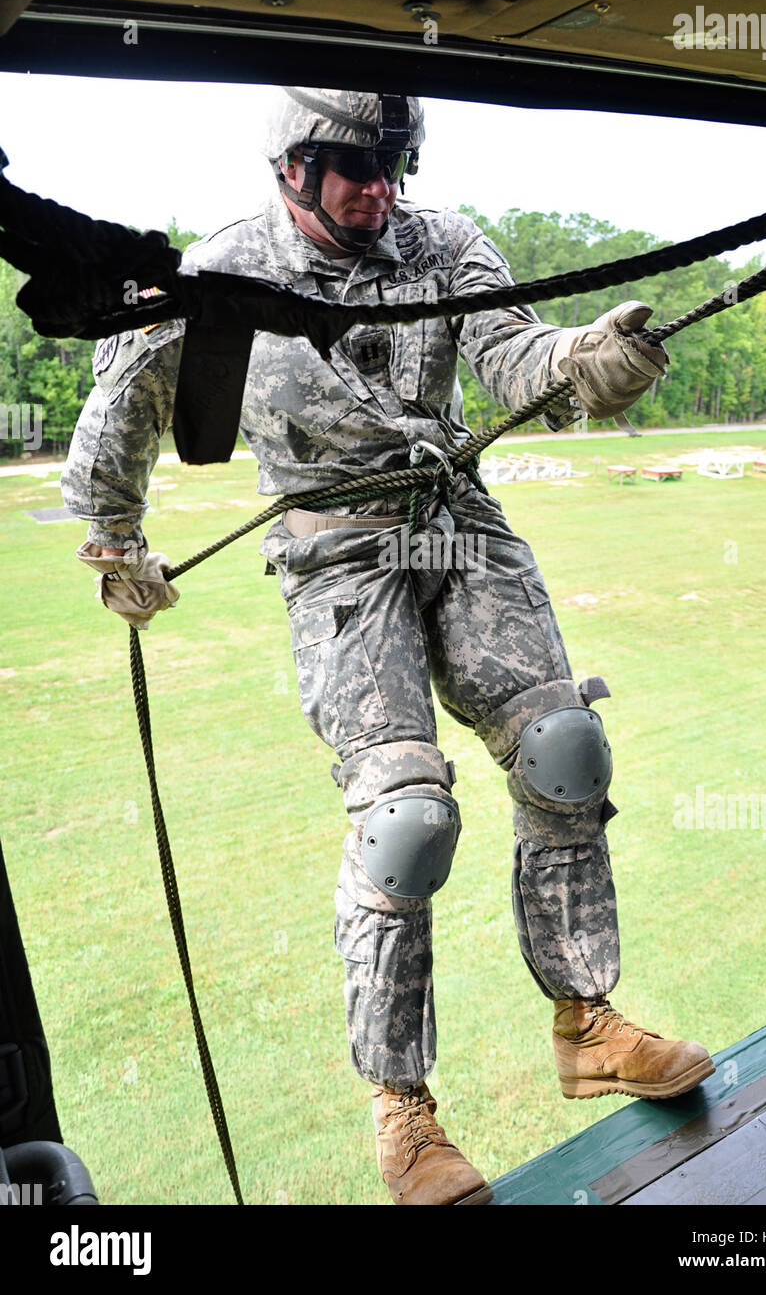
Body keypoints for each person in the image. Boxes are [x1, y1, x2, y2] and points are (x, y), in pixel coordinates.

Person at [61, 87, 715, 1207]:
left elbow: (515, 355)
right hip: (334, 554)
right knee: (407, 818)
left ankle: (584, 1021)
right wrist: (115, 542)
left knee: (565, 747)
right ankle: (401, 1113)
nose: (380, 187)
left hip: (458, 518)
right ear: (290, 169)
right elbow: (121, 404)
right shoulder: (221, 275)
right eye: (354, 166)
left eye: (393, 162)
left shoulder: (444, 243)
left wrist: (587, 358)